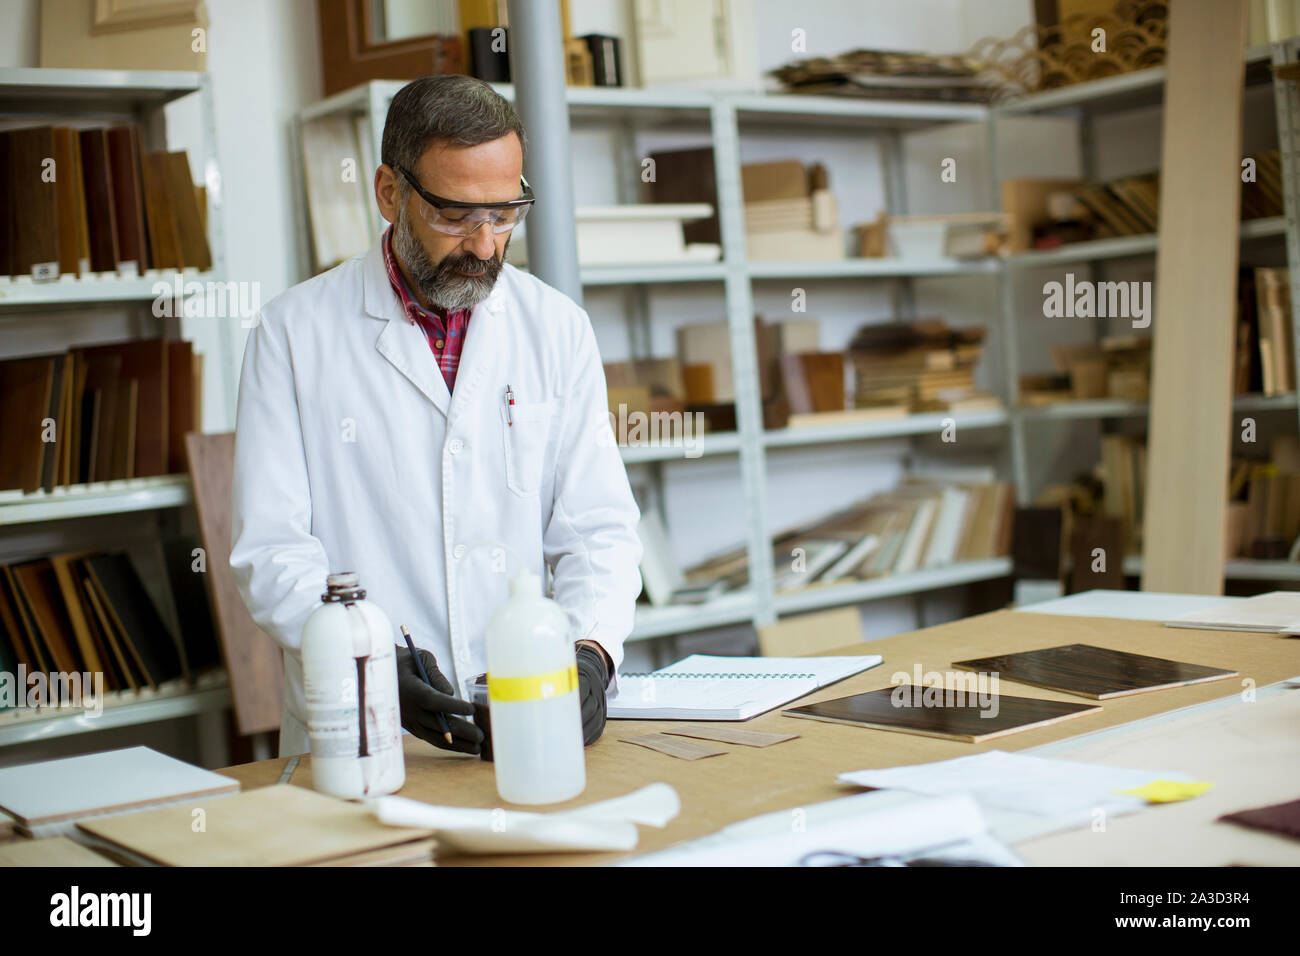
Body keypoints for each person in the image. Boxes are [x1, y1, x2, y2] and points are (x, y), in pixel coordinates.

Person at [230, 74, 642, 757]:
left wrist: (591, 649)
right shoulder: (292, 333)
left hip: (526, 714)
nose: (485, 246)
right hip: (363, 727)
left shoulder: (556, 328)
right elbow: (272, 549)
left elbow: (596, 525)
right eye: (455, 214)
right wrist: (367, 658)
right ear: (390, 194)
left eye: (505, 213)